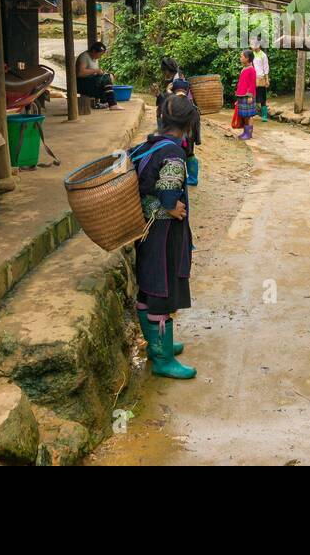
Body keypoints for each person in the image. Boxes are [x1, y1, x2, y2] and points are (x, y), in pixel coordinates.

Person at [133, 94, 200, 379]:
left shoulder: (146, 145)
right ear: (187, 125)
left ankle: (160, 346)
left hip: (146, 228)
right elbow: (170, 192)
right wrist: (172, 207)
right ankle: (162, 360)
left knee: (149, 284)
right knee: (162, 288)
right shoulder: (174, 152)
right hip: (164, 233)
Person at [157, 57, 201, 187]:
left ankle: (190, 178)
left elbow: (175, 102)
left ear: (167, 70)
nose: (164, 74)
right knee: (189, 150)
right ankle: (192, 177)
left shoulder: (176, 83)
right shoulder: (180, 77)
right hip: (189, 122)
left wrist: (167, 93)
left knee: (184, 150)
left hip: (183, 121)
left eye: (164, 71)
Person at [75, 40, 120, 110]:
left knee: (109, 76)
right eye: (100, 54)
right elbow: (80, 73)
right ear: (93, 51)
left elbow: (94, 72)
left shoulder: (95, 58)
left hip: (91, 82)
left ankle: (103, 102)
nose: (100, 57)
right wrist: (96, 71)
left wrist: (100, 72)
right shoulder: (84, 56)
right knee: (106, 78)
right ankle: (112, 104)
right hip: (82, 84)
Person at [230, 49, 257, 140]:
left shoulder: (251, 70)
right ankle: (245, 132)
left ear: (247, 58)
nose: (240, 58)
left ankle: (249, 134)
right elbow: (242, 82)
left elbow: (252, 84)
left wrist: (250, 96)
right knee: (244, 115)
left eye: (242, 56)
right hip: (241, 95)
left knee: (249, 115)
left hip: (247, 96)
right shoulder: (244, 68)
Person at [251, 37, 271, 121]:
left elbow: (266, 68)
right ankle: (251, 114)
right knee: (251, 96)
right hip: (252, 78)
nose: (251, 45)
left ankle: (264, 116)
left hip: (260, 78)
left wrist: (267, 79)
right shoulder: (251, 54)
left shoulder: (263, 55)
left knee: (262, 98)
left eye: (253, 44)